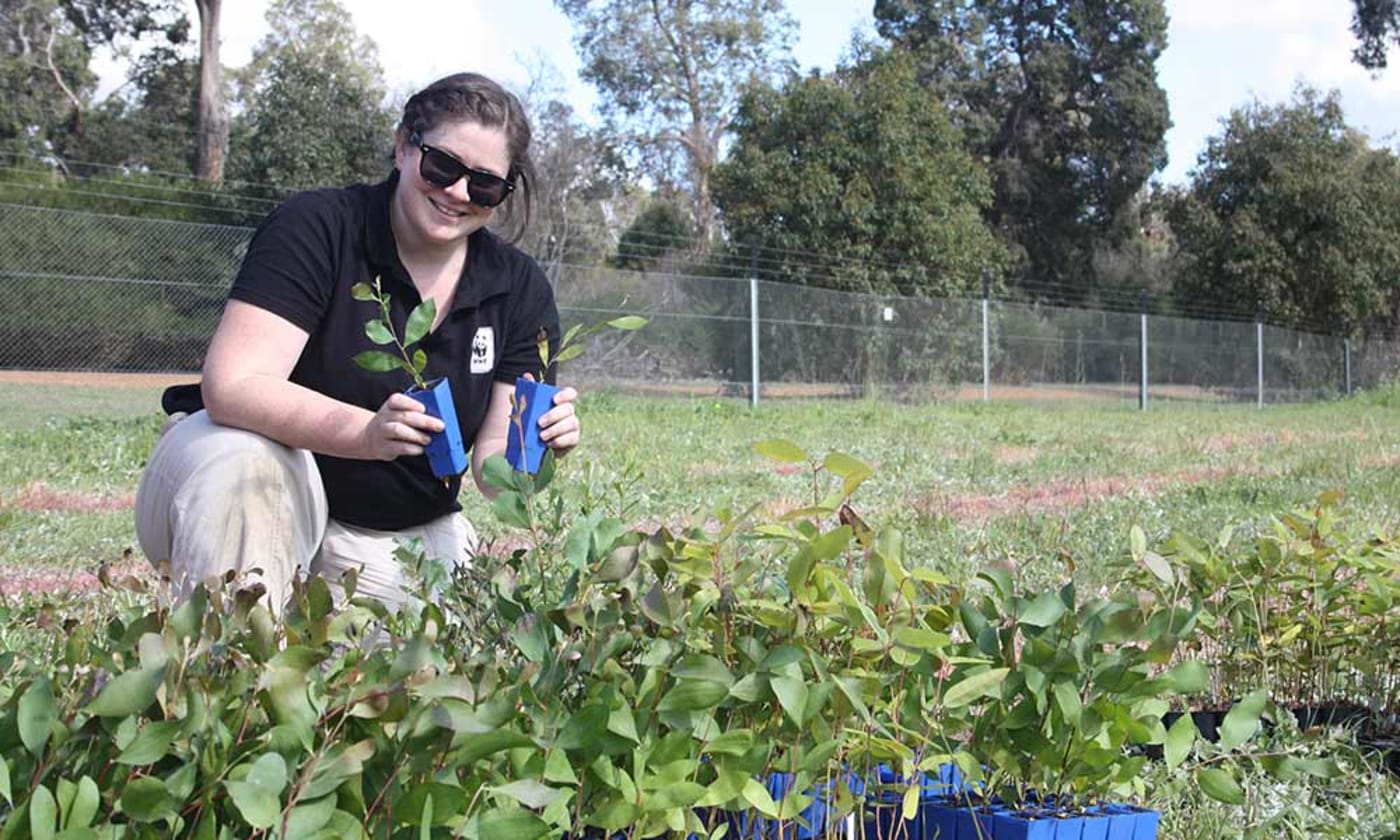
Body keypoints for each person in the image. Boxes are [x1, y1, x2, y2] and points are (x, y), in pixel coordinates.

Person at [134, 72, 577, 613]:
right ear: (402, 146)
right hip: (237, 478)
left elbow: (493, 471)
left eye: (484, 184)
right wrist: (366, 433)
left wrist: (530, 454)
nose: (458, 192)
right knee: (247, 465)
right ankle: (224, 678)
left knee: (439, 658)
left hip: (382, 528)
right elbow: (233, 385)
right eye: (442, 165)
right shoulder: (321, 226)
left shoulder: (517, 287)